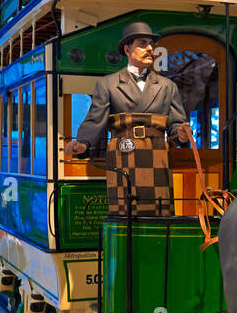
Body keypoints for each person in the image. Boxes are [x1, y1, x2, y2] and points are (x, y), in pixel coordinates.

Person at [65, 23, 190, 216]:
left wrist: (181, 134)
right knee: (124, 213)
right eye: (142, 43)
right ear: (127, 50)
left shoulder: (167, 86)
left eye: (151, 44)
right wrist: (83, 143)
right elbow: (95, 119)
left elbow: (175, 125)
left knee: (159, 213)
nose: (150, 48)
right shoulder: (108, 84)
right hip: (122, 155)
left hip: (157, 156)